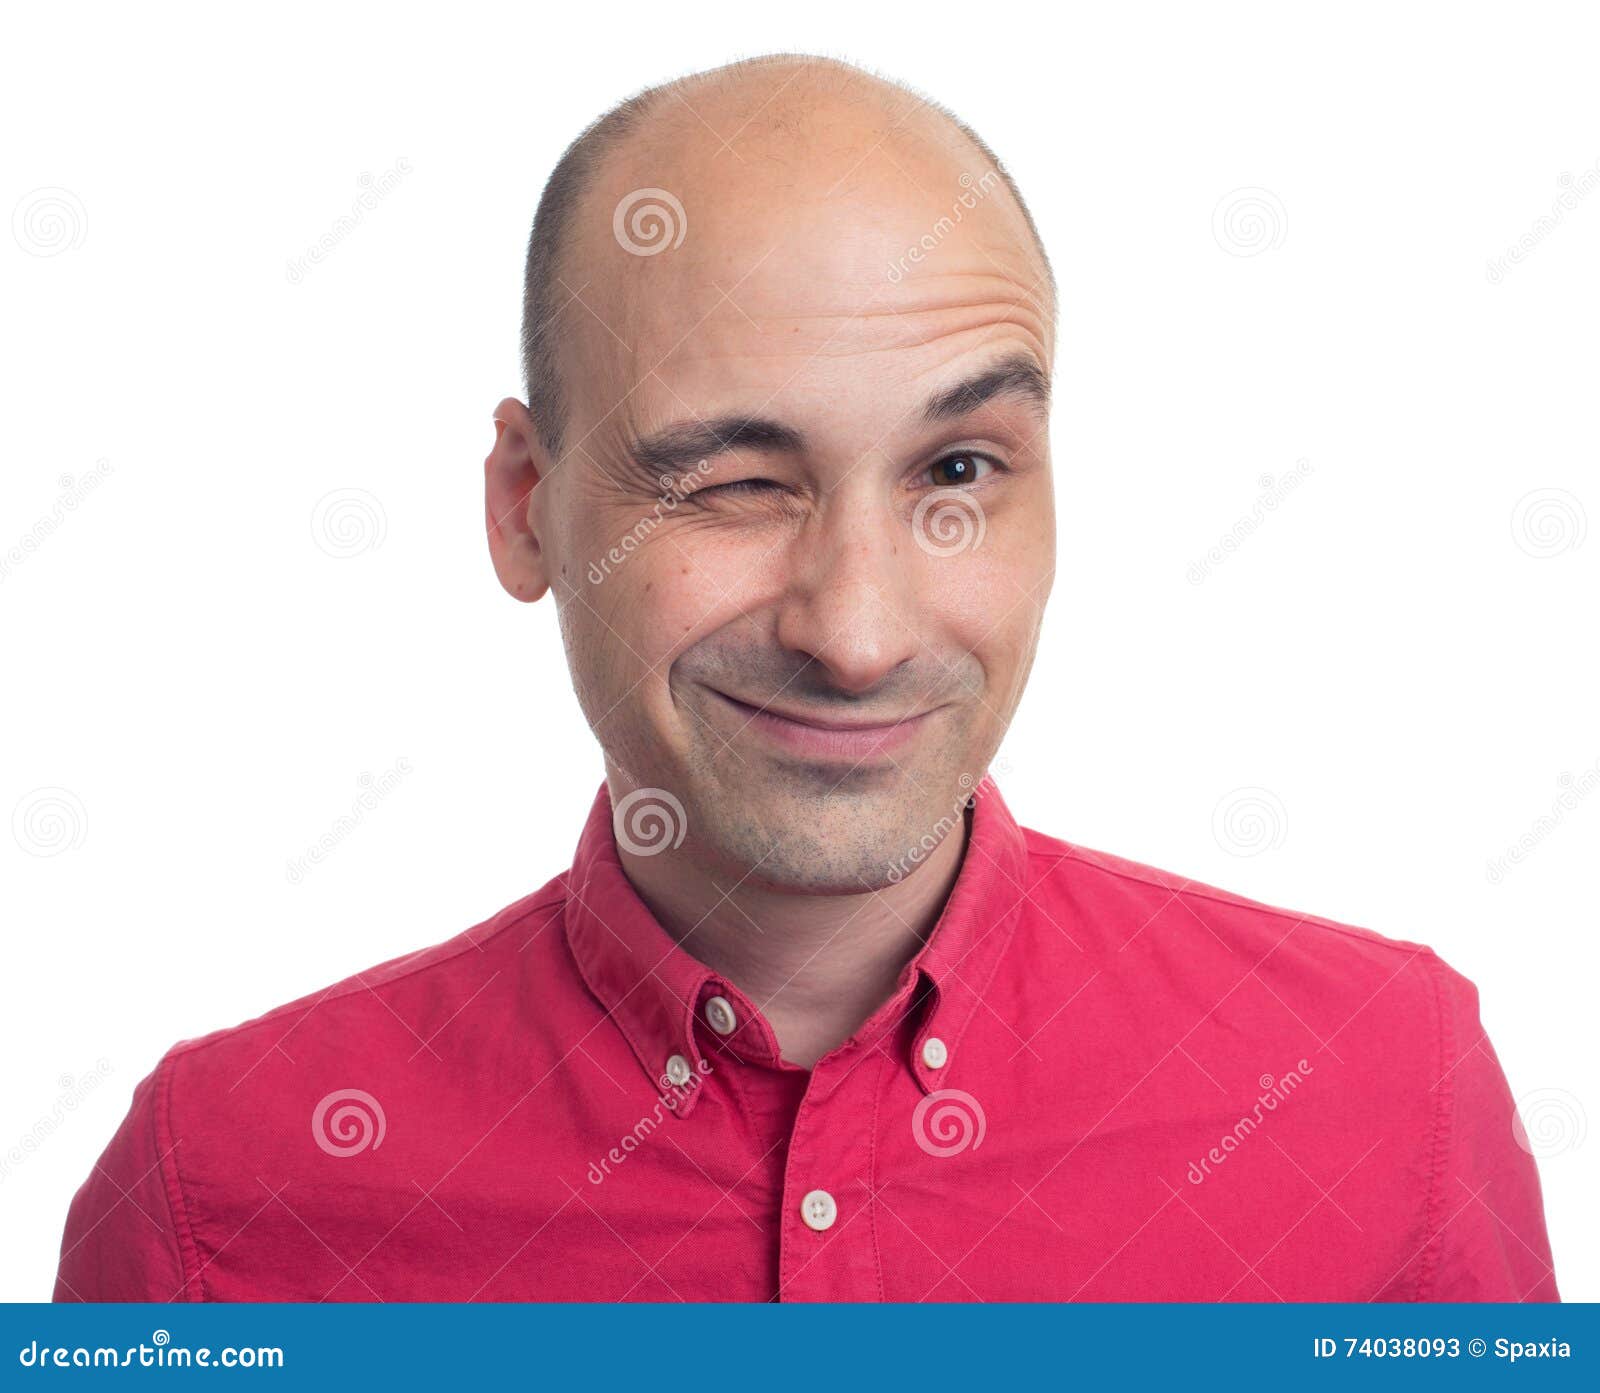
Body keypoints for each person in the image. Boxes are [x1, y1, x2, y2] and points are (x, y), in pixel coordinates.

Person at [55, 53, 1556, 1303]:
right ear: (525, 508)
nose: (859, 633)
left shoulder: (1384, 1089)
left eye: (957, 471)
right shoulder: (217, 1197)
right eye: (733, 484)